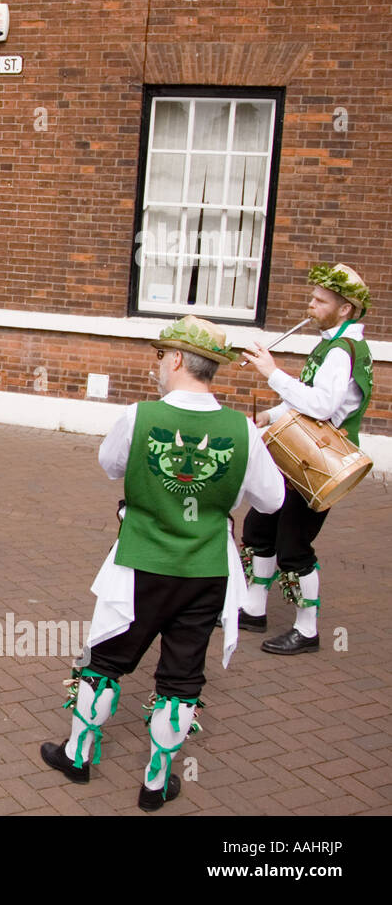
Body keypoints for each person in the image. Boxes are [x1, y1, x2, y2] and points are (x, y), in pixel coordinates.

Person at [40, 316, 284, 811]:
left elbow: (110, 466)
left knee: (106, 661)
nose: (156, 366)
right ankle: (155, 781)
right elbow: (273, 501)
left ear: (175, 360)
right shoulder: (242, 429)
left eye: (160, 357)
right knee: (180, 676)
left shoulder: (138, 416)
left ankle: (78, 754)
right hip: (206, 569)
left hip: (140, 562)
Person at [238, 263, 373, 655]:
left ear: (345, 308)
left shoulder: (343, 351)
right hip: (299, 452)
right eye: (312, 298)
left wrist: (271, 372)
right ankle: (252, 608)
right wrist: (269, 415)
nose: (310, 305)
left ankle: (308, 630)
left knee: (294, 547)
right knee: (259, 528)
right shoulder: (331, 344)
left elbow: (322, 405)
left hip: (320, 462)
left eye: (320, 300)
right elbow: (304, 404)